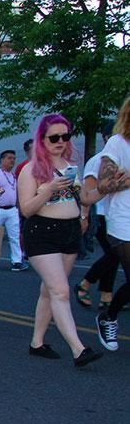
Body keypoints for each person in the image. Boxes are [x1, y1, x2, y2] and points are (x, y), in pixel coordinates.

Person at [17, 113, 102, 367]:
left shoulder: (69, 166)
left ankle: (37, 342)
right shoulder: (31, 169)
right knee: (60, 290)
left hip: (69, 232)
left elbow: (85, 198)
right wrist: (49, 190)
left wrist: (106, 187)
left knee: (49, 290)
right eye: (54, 137)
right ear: (42, 139)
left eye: (65, 136)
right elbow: (27, 209)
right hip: (42, 234)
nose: (60, 142)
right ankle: (78, 349)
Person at [92, 95, 130, 352]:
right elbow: (103, 185)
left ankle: (109, 315)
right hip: (124, 219)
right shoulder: (118, 143)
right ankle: (108, 316)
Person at [75, 125, 120, 312]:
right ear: (106, 137)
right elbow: (87, 191)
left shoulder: (121, 158)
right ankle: (85, 283)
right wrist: (84, 217)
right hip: (100, 215)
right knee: (114, 254)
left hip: (115, 215)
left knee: (114, 255)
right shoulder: (96, 161)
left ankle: (106, 296)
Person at [0, 150, 26, 270]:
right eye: (9, 158)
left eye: (14, 158)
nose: (12, 161)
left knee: (14, 236)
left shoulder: (13, 175)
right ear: (2, 160)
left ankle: (17, 261)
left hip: (12, 210)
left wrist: (19, 208)